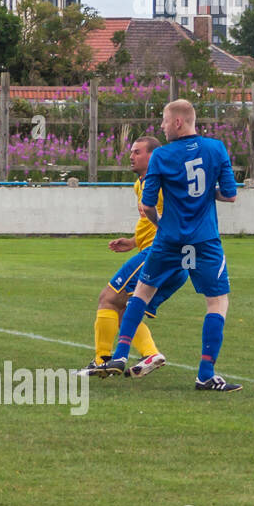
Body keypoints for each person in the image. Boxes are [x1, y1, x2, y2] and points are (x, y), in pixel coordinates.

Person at [96, 99, 241, 391]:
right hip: (205, 239)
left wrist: (163, 225)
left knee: (140, 294)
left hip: (169, 239)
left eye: (163, 121)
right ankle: (205, 374)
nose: (161, 126)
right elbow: (230, 195)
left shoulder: (161, 156)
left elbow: (148, 206)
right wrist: (201, 195)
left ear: (178, 122)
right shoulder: (216, 149)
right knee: (217, 302)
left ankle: (121, 354)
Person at [81, 135, 188, 379]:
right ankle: (150, 353)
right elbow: (150, 221)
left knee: (108, 298)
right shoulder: (141, 184)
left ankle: (102, 360)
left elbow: (180, 210)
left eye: (137, 152)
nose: (131, 156)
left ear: (153, 156)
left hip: (160, 253)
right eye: (131, 151)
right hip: (165, 255)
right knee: (125, 307)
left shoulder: (164, 182)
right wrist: (133, 241)